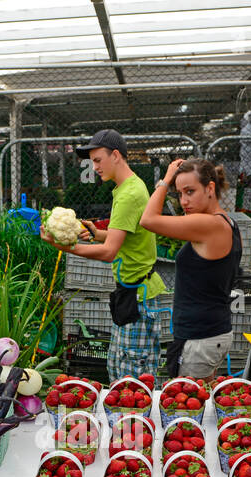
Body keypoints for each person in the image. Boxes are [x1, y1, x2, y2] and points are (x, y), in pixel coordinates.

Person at [42, 129, 163, 381]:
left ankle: (133, 420)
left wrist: (66, 248)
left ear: (116, 155)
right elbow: (127, 237)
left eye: (98, 160)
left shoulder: (129, 194)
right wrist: (98, 233)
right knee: (120, 369)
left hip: (138, 298)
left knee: (131, 379)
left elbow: (109, 253)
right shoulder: (128, 187)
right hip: (131, 293)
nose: (94, 167)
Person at [139, 157, 239, 380]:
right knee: (199, 404)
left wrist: (165, 180)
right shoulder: (224, 222)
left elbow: (148, 220)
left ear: (210, 188)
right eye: (179, 193)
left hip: (201, 339)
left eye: (190, 191)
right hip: (209, 333)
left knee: (187, 409)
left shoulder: (209, 225)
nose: (183, 201)